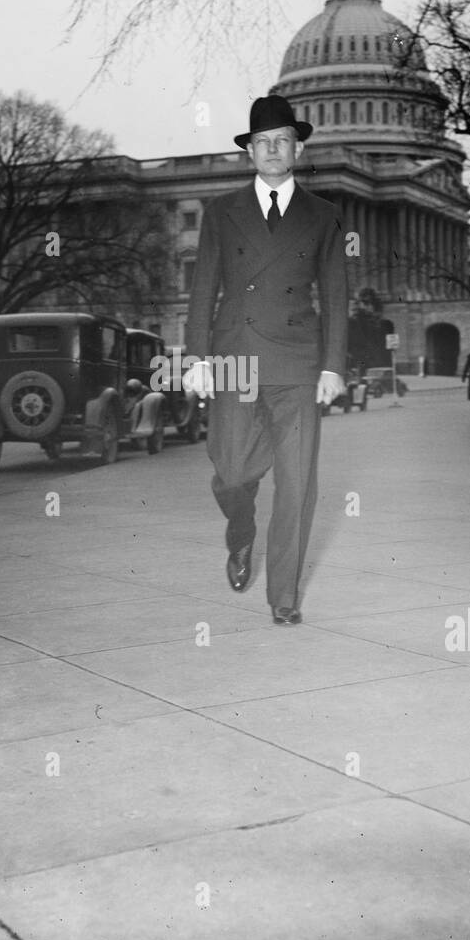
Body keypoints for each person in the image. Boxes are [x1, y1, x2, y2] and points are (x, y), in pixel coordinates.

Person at [183, 95, 348, 626]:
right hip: (235, 361)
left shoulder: (324, 216)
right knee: (232, 474)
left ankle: (284, 597)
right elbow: (203, 289)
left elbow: (337, 295)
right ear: (249, 151)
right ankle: (240, 531)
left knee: (298, 485)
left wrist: (333, 366)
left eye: (282, 141)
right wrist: (197, 359)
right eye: (262, 142)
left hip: (298, 363)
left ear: (297, 148)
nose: (272, 150)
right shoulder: (221, 212)